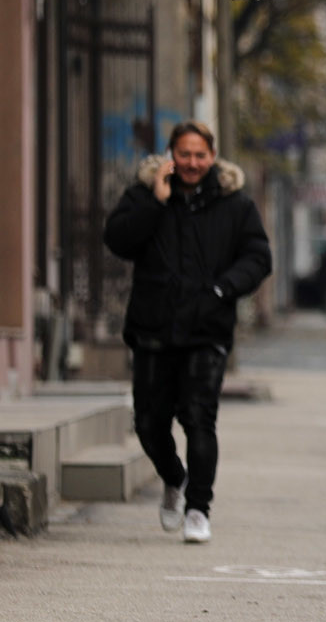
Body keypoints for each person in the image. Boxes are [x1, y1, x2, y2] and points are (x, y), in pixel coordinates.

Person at [103, 120, 272, 544]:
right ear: (170, 156)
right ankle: (174, 478)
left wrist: (221, 289)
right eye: (184, 154)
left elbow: (258, 257)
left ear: (212, 157)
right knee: (148, 423)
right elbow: (118, 241)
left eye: (200, 155)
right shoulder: (145, 194)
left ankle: (198, 508)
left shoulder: (236, 204)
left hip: (206, 329)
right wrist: (156, 202)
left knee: (199, 419)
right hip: (153, 329)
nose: (192, 163)